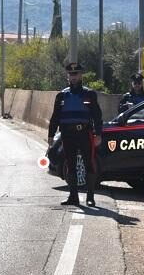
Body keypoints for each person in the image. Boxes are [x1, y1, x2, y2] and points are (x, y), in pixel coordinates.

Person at [48, 62, 103, 207]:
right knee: (70, 165)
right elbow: (55, 117)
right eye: (71, 74)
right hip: (67, 134)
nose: (73, 77)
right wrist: (50, 136)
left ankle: (90, 197)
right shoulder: (62, 95)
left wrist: (98, 134)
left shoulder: (89, 94)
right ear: (67, 76)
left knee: (89, 163)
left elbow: (97, 116)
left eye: (76, 74)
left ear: (81, 75)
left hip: (84, 133)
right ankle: (73, 196)